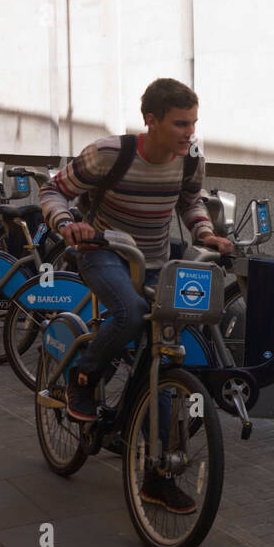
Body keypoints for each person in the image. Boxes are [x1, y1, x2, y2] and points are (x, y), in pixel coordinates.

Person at [39, 78, 232, 511]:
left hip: (157, 262)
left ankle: (155, 477)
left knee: (161, 363)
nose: (190, 133)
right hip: (104, 253)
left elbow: (190, 199)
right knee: (129, 313)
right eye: (181, 124)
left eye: (194, 123)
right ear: (151, 120)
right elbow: (52, 189)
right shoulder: (111, 153)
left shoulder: (190, 158)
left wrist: (205, 232)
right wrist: (68, 222)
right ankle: (83, 377)